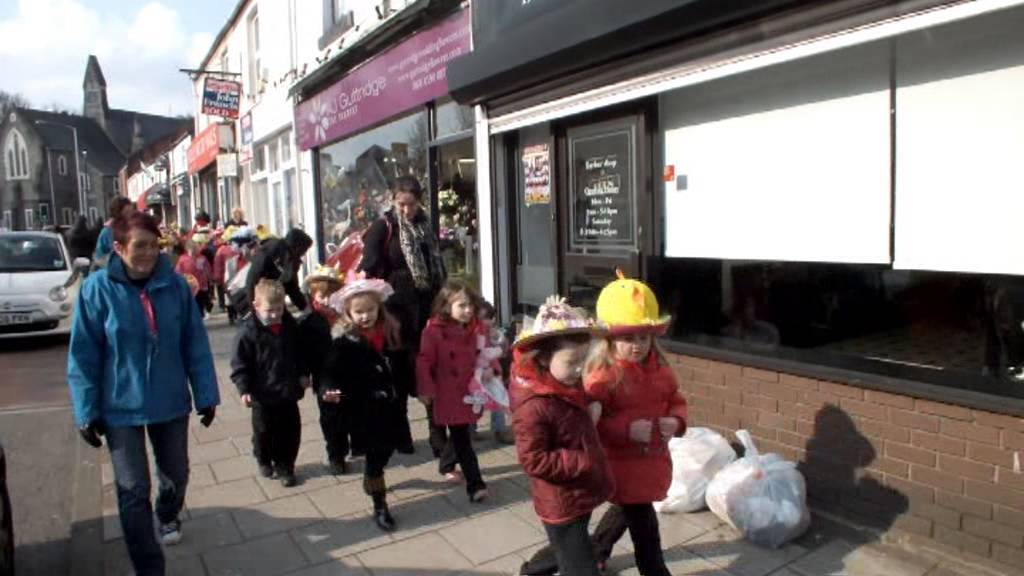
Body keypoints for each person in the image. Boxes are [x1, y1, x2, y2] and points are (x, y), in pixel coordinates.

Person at [67, 212, 219, 576]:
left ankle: (167, 514)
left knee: (176, 475)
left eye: (155, 245)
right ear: (118, 248)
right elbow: (83, 354)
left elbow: (194, 344)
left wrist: (206, 394)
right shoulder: (96, 289)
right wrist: (85, 410)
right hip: (120, 407)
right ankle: (149, 567)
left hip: (169, 400)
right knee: (133, 489)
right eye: (140, 246)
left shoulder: (176, 286)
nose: (150, 253)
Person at [511, 296, 612, 576]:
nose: (580, 369)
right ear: (543, 358)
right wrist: (581, 460)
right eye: (572, 362)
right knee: (579, 565)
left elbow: (575, 400)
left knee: (567, 546)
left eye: (583, 360)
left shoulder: (564, 380)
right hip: (561, 499)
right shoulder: (533, 406)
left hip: (578, 491)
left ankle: (532, 570)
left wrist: (590, 401)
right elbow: (534, 459)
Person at [360, 175, 445, 454]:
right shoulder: (383, 227)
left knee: (431, 374)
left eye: (411, 204)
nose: (406, 210)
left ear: (419, 201)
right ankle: (402, 436)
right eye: (401, 204)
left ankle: (438, 438)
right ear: (393, 200)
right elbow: (369, 274)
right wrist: (381, 313)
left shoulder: (425, 226)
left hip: (426, 309)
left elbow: (436, 266)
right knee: (398, 377)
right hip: (396, 313)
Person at [320, 278, 407, 531]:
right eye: (358, 312)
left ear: (379, 308)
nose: (365, 316)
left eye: (370, 310)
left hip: (390, 404)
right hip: (362, 407)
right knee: (374, 454)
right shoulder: (344, 341)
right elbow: (329, 370)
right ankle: (380, 503)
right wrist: (327, 388)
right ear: (348, 312)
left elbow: (403, 363)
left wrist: (416, 386)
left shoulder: (390, 331)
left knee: (387, 449)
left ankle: (373, 475)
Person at [416, 281, 489, 501]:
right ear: (446, 306)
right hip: (448, 393)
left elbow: (482, 355)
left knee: (462, 433)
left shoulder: (474, 329)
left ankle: (447, 464)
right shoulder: (433, 332)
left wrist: (490, 373)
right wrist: (426, 388)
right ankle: (475, 485)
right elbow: (424, 360)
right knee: (463, 438)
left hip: (469, 391)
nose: (468, 311)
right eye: (462, 306)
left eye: (471, 306)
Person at [230, 279, 307, 487]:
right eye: (269, 310)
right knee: (264, 431)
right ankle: (263, 457)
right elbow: (239, 363)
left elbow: (300, 353)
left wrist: (302, 373)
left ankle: (286, 466)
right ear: (256, 306)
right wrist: (243, 388)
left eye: (279, 309)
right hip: (262, 395)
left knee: (290, 432)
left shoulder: (290, 326)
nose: (275, 315)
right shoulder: (248, 332)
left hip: (288, 390)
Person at [298, 265, 360, 474]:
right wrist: (304, 373)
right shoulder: (309, 321)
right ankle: (336, 455)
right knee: (332, 415)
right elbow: (303, 351)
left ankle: (351, 445)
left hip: (349, 374)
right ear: (314, 295)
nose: (326, 299)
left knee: (349, 411)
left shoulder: (346, 315)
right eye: (321, 295)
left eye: (331, 294)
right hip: (327, 378)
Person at [237, 228, 313, 317]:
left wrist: (306, 309)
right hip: (255, 302)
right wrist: (254, 311)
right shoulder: (272, 250)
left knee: (290, 326)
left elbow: (292, 288)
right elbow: (252, 280)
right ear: (297, 246)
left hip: (274, 301)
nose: (303, 254)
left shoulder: (291, 261)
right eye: (304, 250)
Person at [479, 301, 515, 445]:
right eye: (486, 318)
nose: (489, 321)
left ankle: (499, 430)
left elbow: (502, 346)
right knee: (480, 402)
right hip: (481, 371)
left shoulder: (491, 331)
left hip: (491, 372)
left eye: (491, 318)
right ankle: (472, 429)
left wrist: (501, 341)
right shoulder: (475, 333)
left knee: (497, 401)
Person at [224, 227, 257, 324]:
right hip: (240, 299)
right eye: (249, 246)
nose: (252, 249)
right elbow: (228, 283)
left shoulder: (256, 261)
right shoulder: (231, 263)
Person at [93, 197, 137, 268]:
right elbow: (99, 258)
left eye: (132, 212)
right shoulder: (107, 232)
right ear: (118, 213)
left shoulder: (135, 228)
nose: (131, 216)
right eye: (127, 213)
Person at [174, 237, 212, 318]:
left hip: (201, 285)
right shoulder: (183, 259)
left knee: (200, 302)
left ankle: (200, 317)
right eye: (191, 248)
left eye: (195, 247)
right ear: (187, 249)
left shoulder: (202, 258)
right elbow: (178, 271)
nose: (194, 250)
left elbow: (207, 268)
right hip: (189, 285)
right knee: (192, 303)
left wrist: (209, 278)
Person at [212, 228, 236, 313]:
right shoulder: (237, 249)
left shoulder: (221, 250)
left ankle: (225, 307)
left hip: (225, 277)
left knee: (226, 294)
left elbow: (217, 265)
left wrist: (217, 277)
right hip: (232, 276)